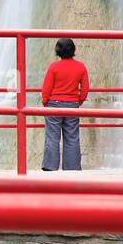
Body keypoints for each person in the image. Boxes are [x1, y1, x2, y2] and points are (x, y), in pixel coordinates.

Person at [40, 37, 89, 171]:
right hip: (72, 104)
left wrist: (45, 102)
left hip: (54, 104)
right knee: (72, 137)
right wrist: (78, 101)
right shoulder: (81, 67)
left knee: (52, 137)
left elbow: (46, 88)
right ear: (73, 50)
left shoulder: (54, 67)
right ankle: (72, 168)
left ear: (58, 50)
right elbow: (85, 89)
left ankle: (50, 167)